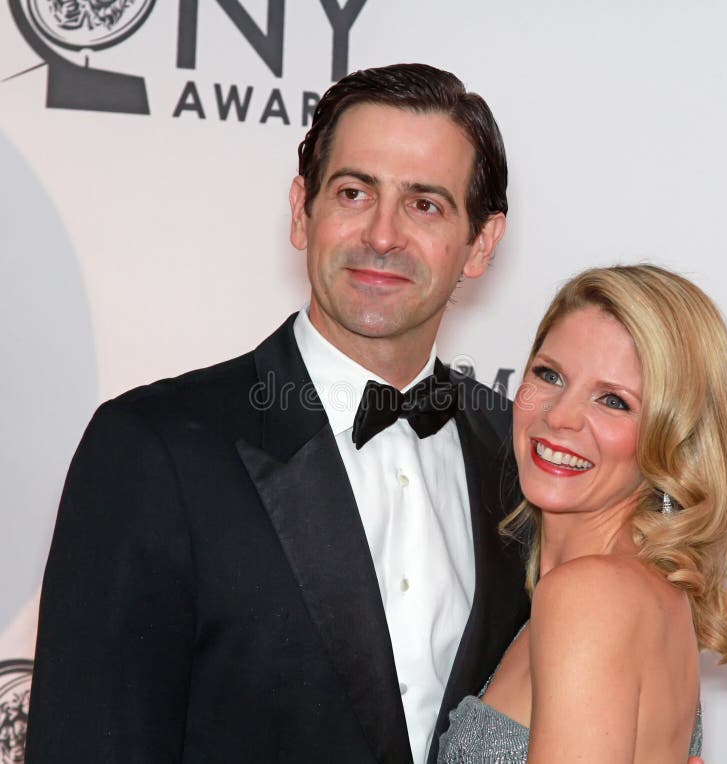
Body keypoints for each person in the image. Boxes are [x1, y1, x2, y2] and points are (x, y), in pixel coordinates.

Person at [24, 64, 530, 764]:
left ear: (480, 243)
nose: (382, 236)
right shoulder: (156, 449)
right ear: (302, 210)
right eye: (354, 192)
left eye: (425, 205)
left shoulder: (524, 455)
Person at [438, 265, 727, 762]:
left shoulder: (588, 597)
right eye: (549, 374)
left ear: (673, 438)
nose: (559, 415)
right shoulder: (652, 596)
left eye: (613, 401)